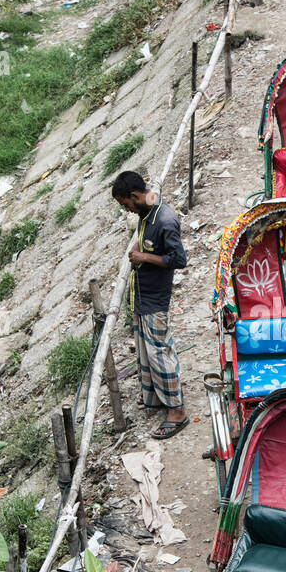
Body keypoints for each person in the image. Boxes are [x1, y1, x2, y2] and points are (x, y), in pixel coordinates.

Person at [111, 171, 189, 439]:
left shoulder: (165, 221)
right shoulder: (147, 209)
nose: (127, 210)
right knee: (147, 350)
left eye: (126, 205)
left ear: (135, 196)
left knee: (160, 353)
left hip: (155, 298)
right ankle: (157, 398)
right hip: (142, 295)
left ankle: (177, 412)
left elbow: (179, 259)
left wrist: (143, 255)